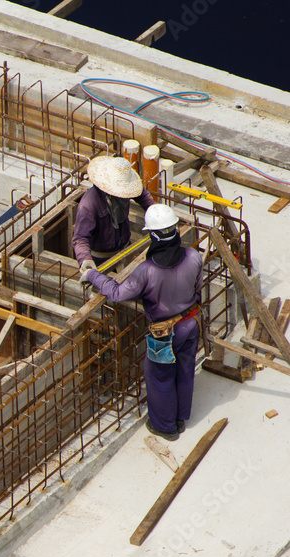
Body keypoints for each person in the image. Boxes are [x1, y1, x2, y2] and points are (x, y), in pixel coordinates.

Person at [82, 204, 203, 442]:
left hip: (164, 334)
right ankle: (179, 419)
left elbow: (117, 294)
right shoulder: (193, 256)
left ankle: (165, 427)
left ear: (153, 236)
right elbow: (196, 287)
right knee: (184, 371)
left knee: (159, 377)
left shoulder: (146, 271)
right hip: (191, 323)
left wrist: (92, 275)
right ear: (175, 231)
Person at [73, 156, 156, 274]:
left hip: (126, 249)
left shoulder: (126, 189)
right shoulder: (88, 205)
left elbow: (143, 197)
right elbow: (80, 238)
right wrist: (85, 259)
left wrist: (157, 213)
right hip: (101, 260)